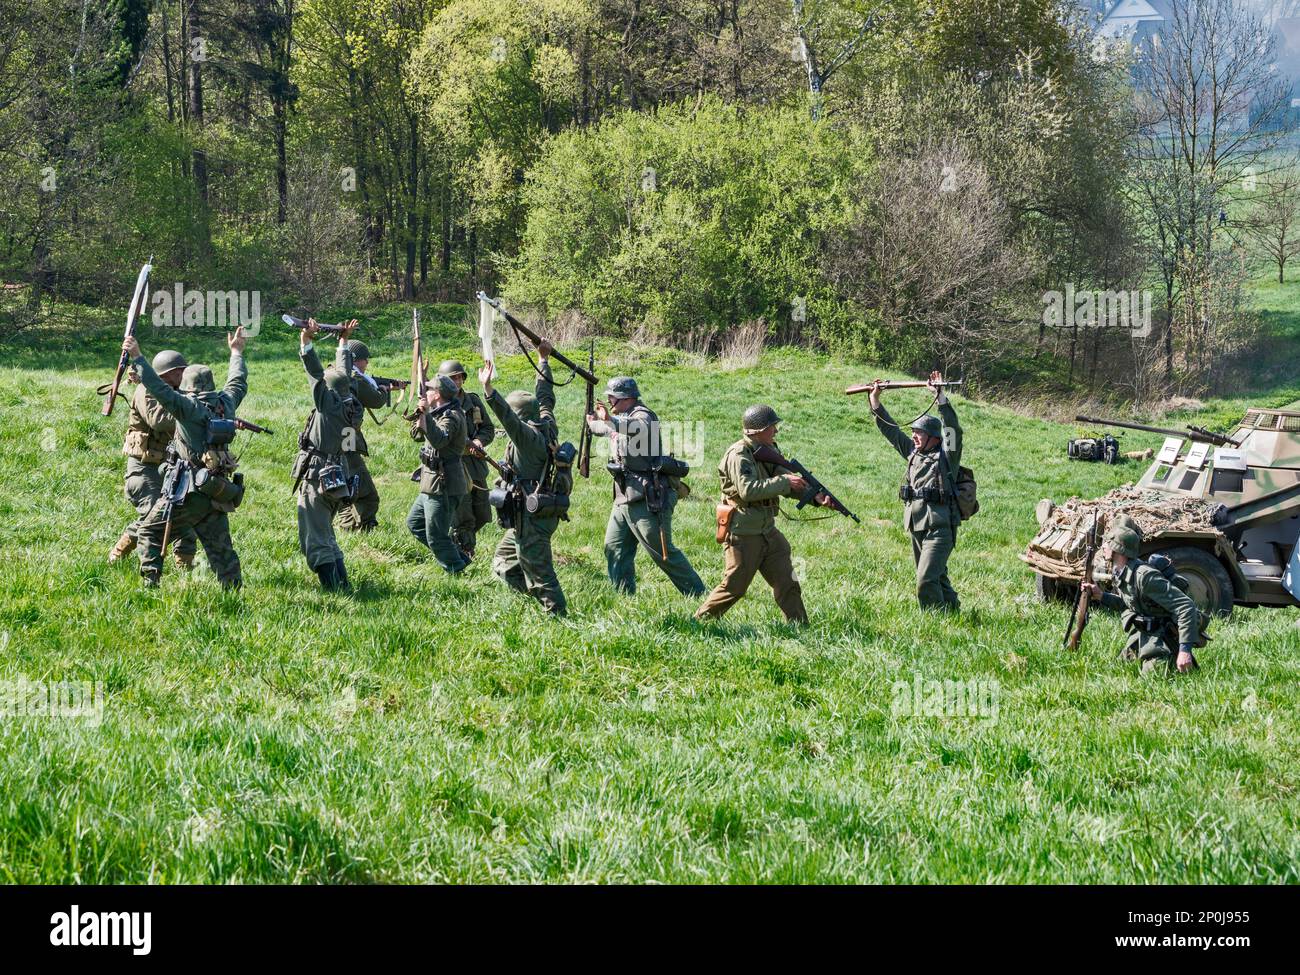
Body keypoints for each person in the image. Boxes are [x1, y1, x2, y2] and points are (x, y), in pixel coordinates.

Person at [122, 327, 249, 589]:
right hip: (217, 489)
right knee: (220, 548)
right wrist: (236, 352)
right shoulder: (227, 402)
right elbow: (238, 381)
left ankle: (150, 585)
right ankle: (233, 591)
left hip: (188, 492)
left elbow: (160, 389)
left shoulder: (188, 408)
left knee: (149, 531)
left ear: (187, 387)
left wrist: (137, 357)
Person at [695, 404, 826, 624]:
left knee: (787, 581)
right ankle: (700, 622)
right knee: (734, 586)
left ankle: (800, 626)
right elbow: (748, 490)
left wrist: (815, 497)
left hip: (767, 530)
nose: (776, 431)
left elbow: (785, 483)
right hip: (744, 532)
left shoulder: (769, 450)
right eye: (771, 427)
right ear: (756, 430)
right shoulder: (739, 455)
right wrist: (785, 481)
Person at [586, 376, 704, 597]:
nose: (609, 399)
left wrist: (609, 418)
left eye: (612, 396)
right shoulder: (621, 417)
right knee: (615, 548)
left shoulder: (643, 416)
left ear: (626, 398)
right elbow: (606, 428)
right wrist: (592, 422)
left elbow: (633, 427)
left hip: (648, 497)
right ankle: (624, 597)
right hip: (623, 497)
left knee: (662, 552)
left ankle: (700, 595)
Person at [479, 343, 567, 616]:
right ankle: (529, 599)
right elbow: (545, 398)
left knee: (539, 570)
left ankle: (558, 616)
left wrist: (489, 391)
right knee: (504, 560)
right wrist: (543, 361)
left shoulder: (527, 438)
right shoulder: (547, 424)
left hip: (532, 517)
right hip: (531, 511)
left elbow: (508, 420)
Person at [867, 371, 962, 611]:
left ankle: (935, 623)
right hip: (917, 524)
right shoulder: (912, 453)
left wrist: (941, 398)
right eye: (913, 433)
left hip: (940, 528)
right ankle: (953, 614)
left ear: (933, 437)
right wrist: (875, 401)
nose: (914, 436)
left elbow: (952, 429)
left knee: (926, 580)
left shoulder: (946, 457)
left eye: (918, 433)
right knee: (937, 577)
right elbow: (891, 431)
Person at [108, 350, 197, 569]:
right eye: (181, 371)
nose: (185, 375)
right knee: (153, 517)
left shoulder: (178, 392)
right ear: (169, 374)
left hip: (173, 467)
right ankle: (117, 557)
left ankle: (184, 567)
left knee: (189, 513)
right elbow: (160, 421)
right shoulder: (146, 390)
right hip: (145, 469)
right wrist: (194, 414)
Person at [294, 319, 362, 590]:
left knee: (315, 535)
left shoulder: (328, 405)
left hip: (318, 476)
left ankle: (334, 588)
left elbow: (315, 375)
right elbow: (343, 375)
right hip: (339, 474)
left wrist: (306, 342)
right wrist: (342, 343)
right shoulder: (351, 401)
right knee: (326, 532)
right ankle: (342, 583)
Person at [1081, 525, 1202, 675]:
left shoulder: (1144, 577)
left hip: (1162, 638)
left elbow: (1185, 606)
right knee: (1117, 671)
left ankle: (1175, 659)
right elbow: (1131, 604)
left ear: (1118, 548)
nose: (1104, 546)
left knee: (1151, 678)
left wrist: (1185, 652)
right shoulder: (1122, 571)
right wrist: (1101, 595)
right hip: (1141, 635)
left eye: (1108, 543)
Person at [406, 372, 469, 574]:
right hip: (430, 483)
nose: (427, 391)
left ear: (438, 394)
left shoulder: (452, 417)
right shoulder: (437, 411)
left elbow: (440, 440)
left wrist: (427, 417)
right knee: (415, 523)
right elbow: (416, 435)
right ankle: (458, 558)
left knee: (436, 535)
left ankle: (456, 570)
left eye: (430, 389)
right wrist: (421, 414)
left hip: (445, 485)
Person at [439, 359, 496, 561]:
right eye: (452, 378)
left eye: (459, 377)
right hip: (455, 466)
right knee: (463, 516)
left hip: (476, 466)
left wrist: (479, 441)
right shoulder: (439, 404)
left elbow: (488, 428)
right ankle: (463, 552)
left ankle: (463, 540)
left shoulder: (473, 401)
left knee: (482, 513)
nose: (456, 381)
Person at [337, 337, 391, 532]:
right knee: (364, 491)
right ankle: (358, 529)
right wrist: (385, 391)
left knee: (346, 484)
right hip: (347, 438)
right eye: (365, 359)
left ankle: (350, 529)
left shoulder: (334, 374)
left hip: (334, 437)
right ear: (355, 359)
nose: (367, 363)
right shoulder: (355, 378)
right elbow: (376, 400)